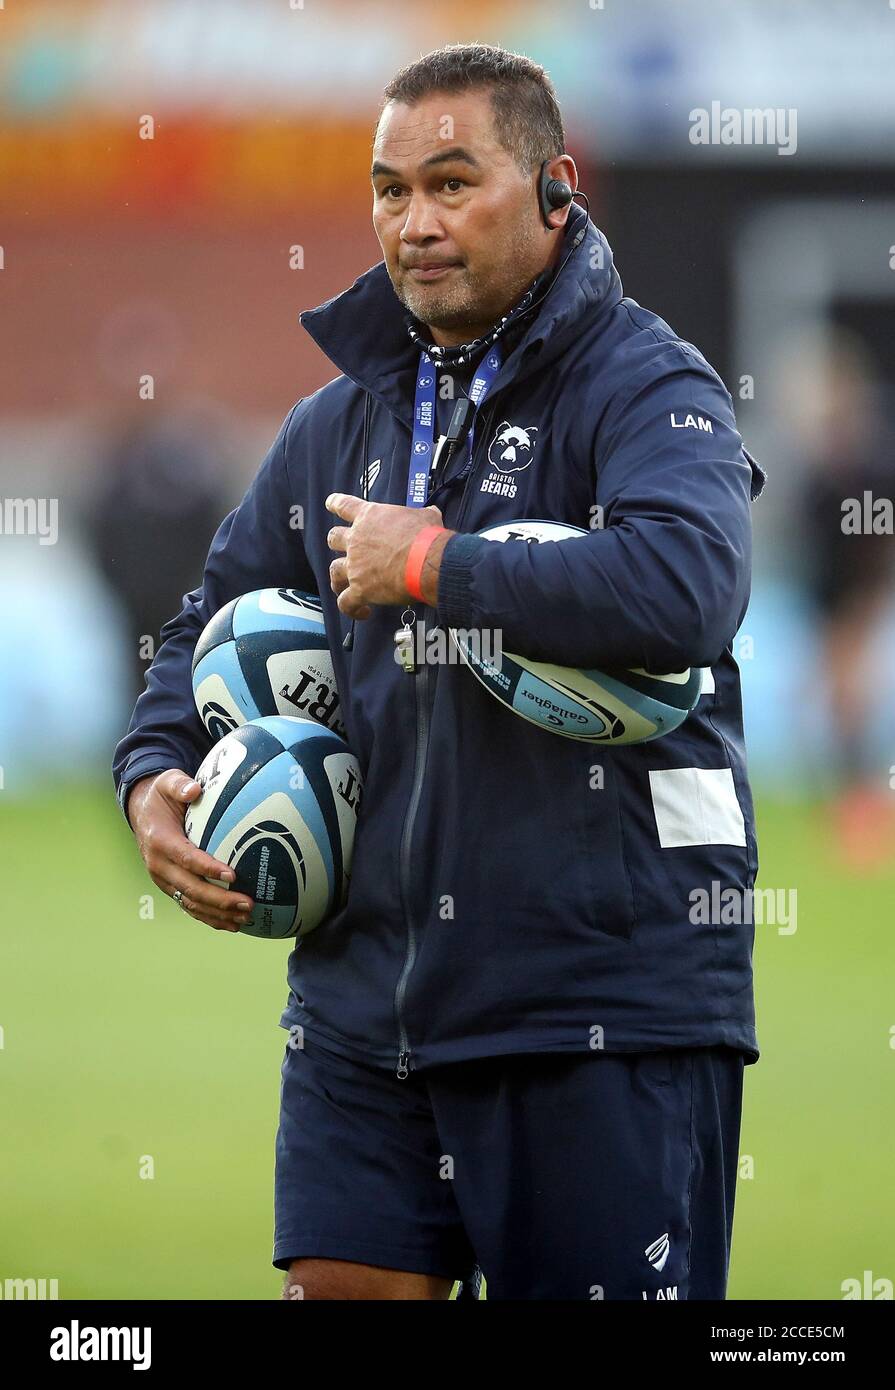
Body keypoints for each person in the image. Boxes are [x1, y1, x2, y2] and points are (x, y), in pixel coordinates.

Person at [113, 43, 766, 1301]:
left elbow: (689, 586)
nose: (414, 223)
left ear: (554, 188)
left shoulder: (645, 383)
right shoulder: (339, 421)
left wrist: (440, 568)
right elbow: (211, 618)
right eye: (389, 189)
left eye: (453, 182)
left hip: (599, 1006)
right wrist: (155, 775)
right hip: (365, 1011)